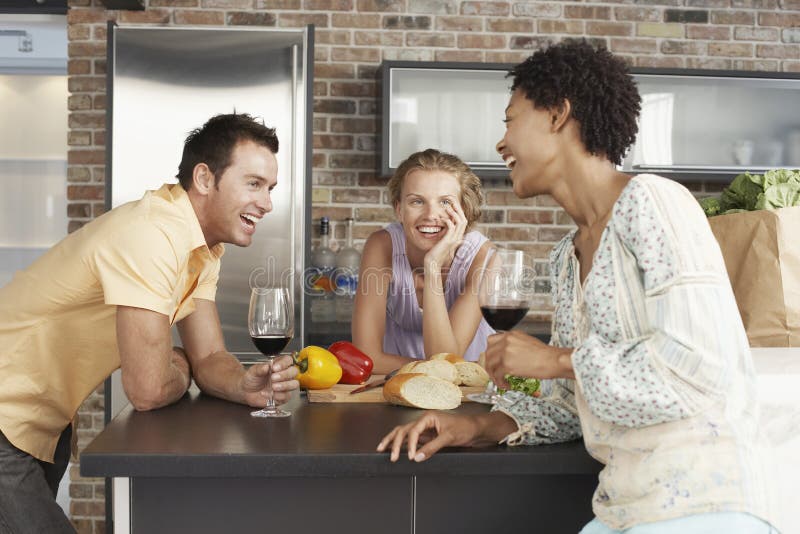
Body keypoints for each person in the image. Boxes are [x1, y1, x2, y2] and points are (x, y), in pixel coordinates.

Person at [377, 42, 779, 533]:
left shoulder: (654, 203)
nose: (501, 143)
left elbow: (698, 365)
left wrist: (554, 359)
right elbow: (570, 405)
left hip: (703, 506)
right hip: (622, 510)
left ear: (558, 115)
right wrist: (477, 426)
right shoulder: (567, 256)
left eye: (510, 120)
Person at [0, 113, 300, 533]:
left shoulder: (201, 248)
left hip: (40, 421)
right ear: (204, 178)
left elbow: (210, 356)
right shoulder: (153, 234)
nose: (267, 203)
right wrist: (179, 366)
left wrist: (243, 384)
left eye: (270, 188)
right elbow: (147, 389)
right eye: (253, 183)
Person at [352, 149, 495, 374]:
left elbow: (446, 359)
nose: (431, 214)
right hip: (397, 387)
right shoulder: (382, 246)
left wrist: (432, 267)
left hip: (469, 395)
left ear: (464, 210)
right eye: (417, 201)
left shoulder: (482, 257)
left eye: (445, 202)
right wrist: (432, 369)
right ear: (399, 210)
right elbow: (366, 357)